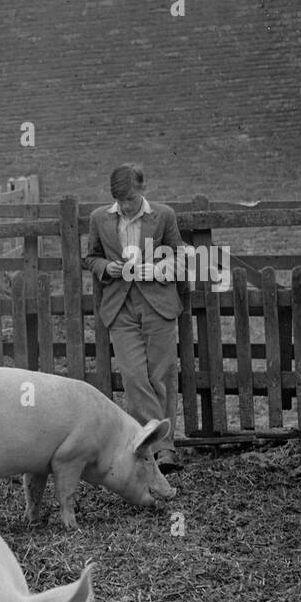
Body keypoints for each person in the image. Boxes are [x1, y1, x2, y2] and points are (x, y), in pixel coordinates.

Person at [84, 163, 184, 474]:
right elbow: (90, 257)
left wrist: (157, 269)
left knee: (161, 377)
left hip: (159, 304)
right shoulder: (99, 218)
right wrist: (105, 268)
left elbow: (181, 255)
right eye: (120, 200)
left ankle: (162, 449)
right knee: (134, 376)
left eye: (130, 199)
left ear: (142, 190)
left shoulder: (163, 215)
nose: (126, 206)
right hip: (120, 306)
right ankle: (158, 446)